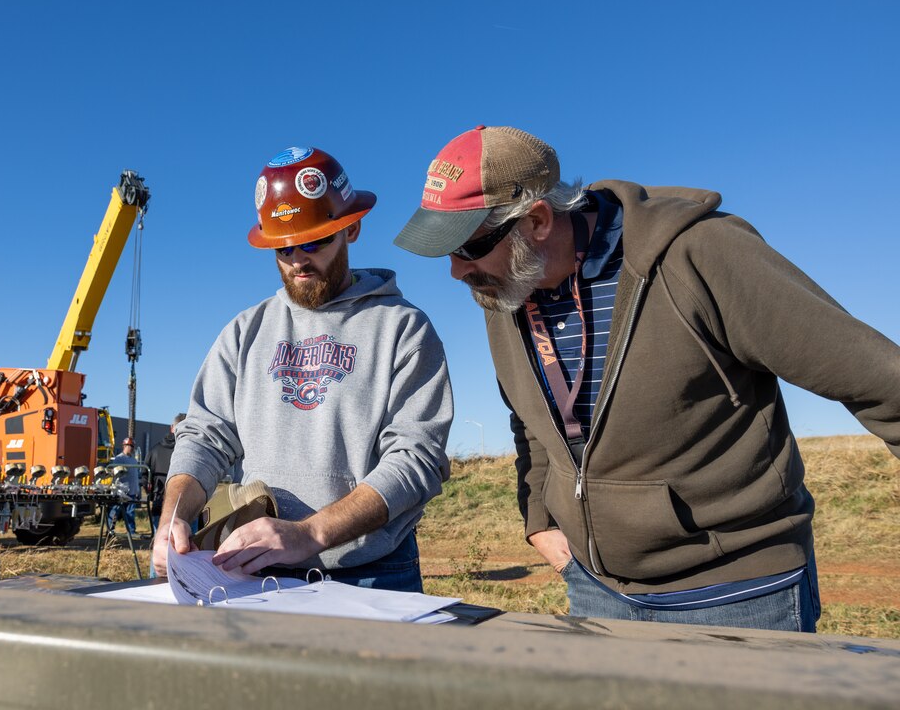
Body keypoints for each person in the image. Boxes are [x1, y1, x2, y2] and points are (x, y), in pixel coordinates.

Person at [394, 125, 900, 630]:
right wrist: (541, 521)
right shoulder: (505, 287)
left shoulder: (699, 254)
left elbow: (881, 382)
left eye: (467, 248)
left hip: (737, 593)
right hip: (597, 588)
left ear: (538, 221)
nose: (457, 272)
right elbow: (533, 421)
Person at [153, 146, 453, 592]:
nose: (297, 260)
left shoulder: (402, 329)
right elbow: (205, 436)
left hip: (370, 574)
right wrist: (173, 517)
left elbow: (415, 459)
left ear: (351, 228)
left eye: (313, 242)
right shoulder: (245, 332)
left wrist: (310, 533)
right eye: (284, 248)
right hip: (255, 571)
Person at [147, 413, 186, 533]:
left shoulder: (154, 450)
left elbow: (145, 474)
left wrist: (151, 491)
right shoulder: (187, 452)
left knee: (159, 538)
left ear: (171, 427)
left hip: (159, 500)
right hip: (184, 503)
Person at [106, 438, 140, 538]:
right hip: (121, 491)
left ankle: (131, 531)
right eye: (131, 446)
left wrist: (137, 490)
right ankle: (110, 531)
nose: (132, 449)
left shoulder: (133, 460)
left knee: (130, 512)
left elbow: (135, 476)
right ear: (125, 446)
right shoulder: (119, 459)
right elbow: (114, 474)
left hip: (132, 490)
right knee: (115, 511)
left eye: (133, 447)